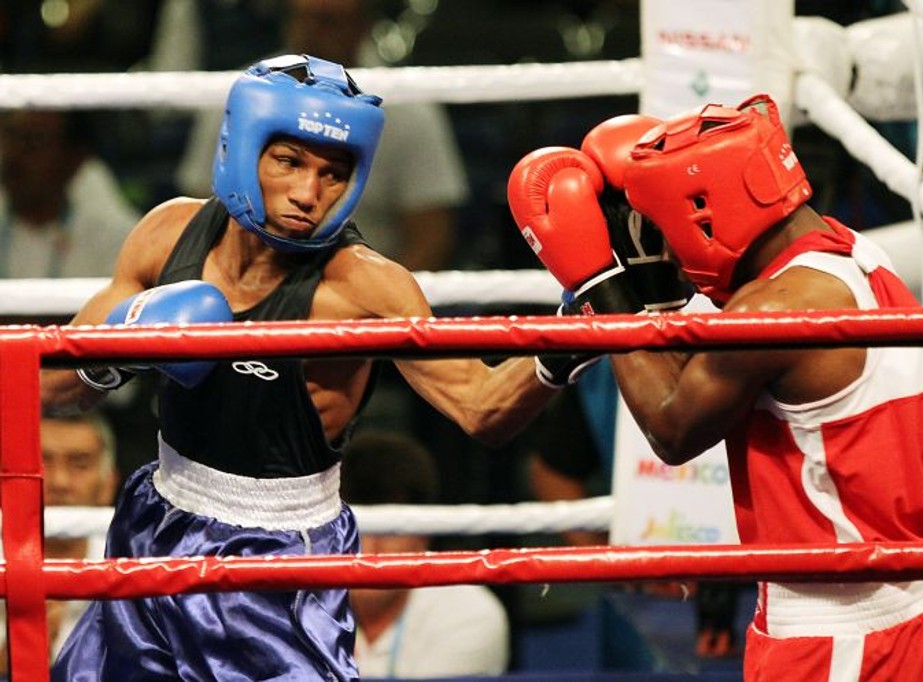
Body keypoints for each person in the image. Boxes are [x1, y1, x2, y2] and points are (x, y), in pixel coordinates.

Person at [40, 53, 556, 681]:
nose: (310, 194)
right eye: (289, 162)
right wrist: (121, 345)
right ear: (240, 148)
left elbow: (482, 408)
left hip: (278, 558)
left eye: (333, 174)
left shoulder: (365, 288)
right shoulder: (166, 235)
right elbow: (49, 388)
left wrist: (575, 335)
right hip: (153, 520)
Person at [509, 96, 923, 680]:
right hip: (913, 603)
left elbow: (672, 429)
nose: (667, 252)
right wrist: (666, 300)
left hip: (839, 633)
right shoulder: (852, 253)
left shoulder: (775, 310)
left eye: (669, 232)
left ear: (706, 210)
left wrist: (601, 286)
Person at [174, 0, 469, 273]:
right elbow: (202, 203)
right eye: (305, 19)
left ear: (362, 26)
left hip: (361, 285)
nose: (314, 33)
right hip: (245, 277)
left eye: (329, 21)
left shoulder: (409, 108)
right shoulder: (245, 92)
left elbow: (432, 236)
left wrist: (367, 306)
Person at [341, 430, 510, 678]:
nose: (371, 548)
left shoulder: (469, 613)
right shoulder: (297, 611)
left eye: (390, 530)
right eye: (357, 528)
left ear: (423, 536)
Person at [0, 411, 119, 675]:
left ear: (108, 484)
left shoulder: (127, 560)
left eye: (80, 464)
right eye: (41, 463)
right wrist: (8, 661)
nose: (60, 482)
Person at [0, 108, 140, 281]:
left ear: (74, 160)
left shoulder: (111, 237)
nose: (14, 154)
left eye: (34, 141)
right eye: (11, 135)